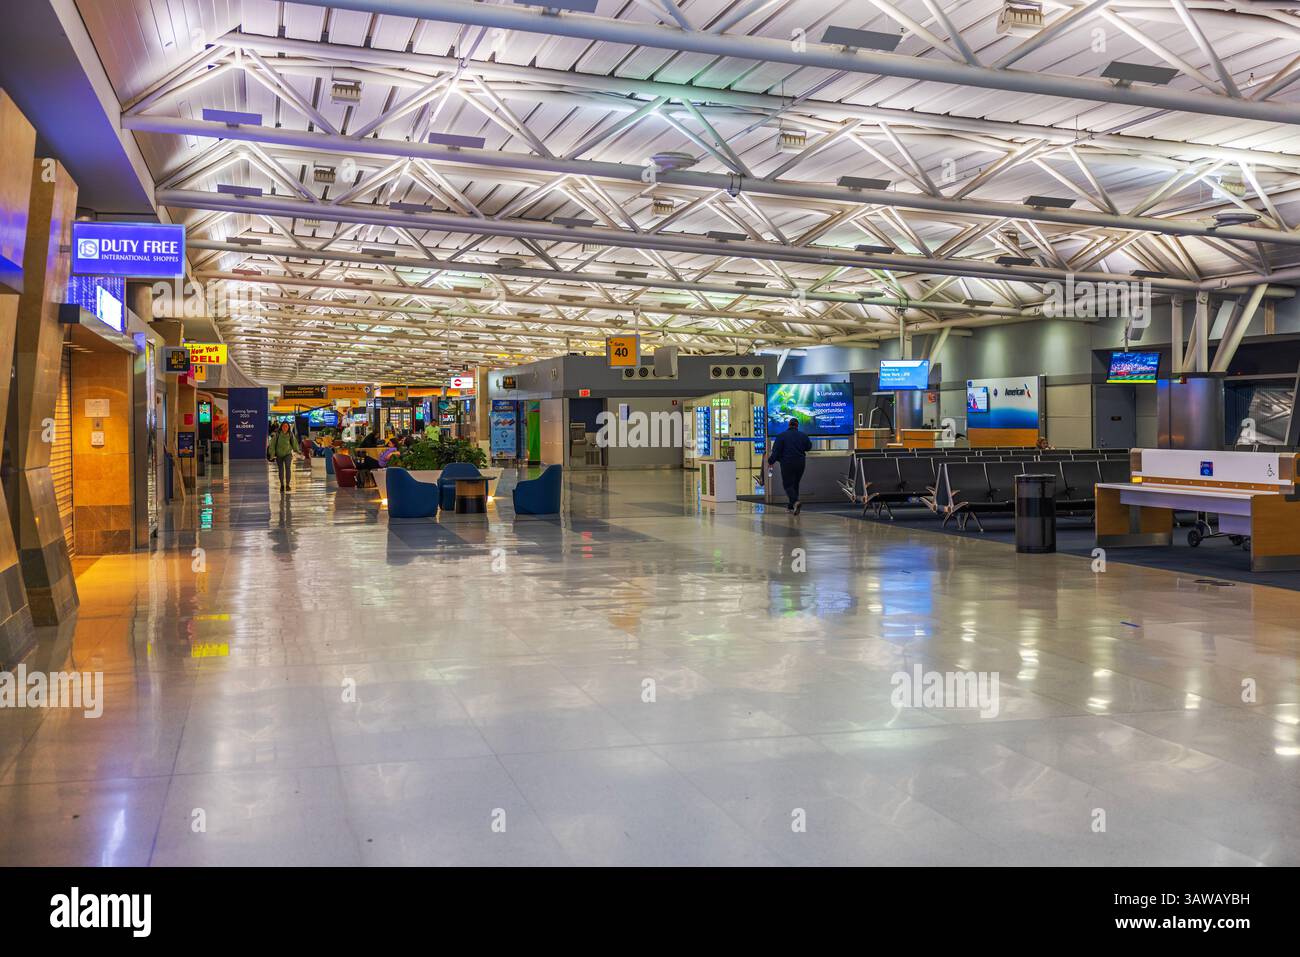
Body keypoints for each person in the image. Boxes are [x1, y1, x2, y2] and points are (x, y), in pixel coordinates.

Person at [767, 418, 812, 514]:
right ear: (797, 425)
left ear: (789, 425)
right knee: (795, 484)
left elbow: (776, 451)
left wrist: (770, 461)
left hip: (787, 463)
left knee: (787, 484)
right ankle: (791, 506)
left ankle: (795, 502)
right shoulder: (803, 435)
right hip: (800, 463)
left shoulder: (781, 436)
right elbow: (809, 447)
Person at [267, 421, 297, 493]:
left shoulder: (290, 434)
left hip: (288, 454)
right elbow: (272, 445)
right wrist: (272, 454)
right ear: (281, 427)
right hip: (279, 455)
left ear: (288, 427)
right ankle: (282, 485)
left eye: (286, 426)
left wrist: (298, 450)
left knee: (287, 468)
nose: (285, 428)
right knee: (281, 470)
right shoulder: (277, 435)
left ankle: (287, 485)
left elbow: (294, 443)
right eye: (283, 426)